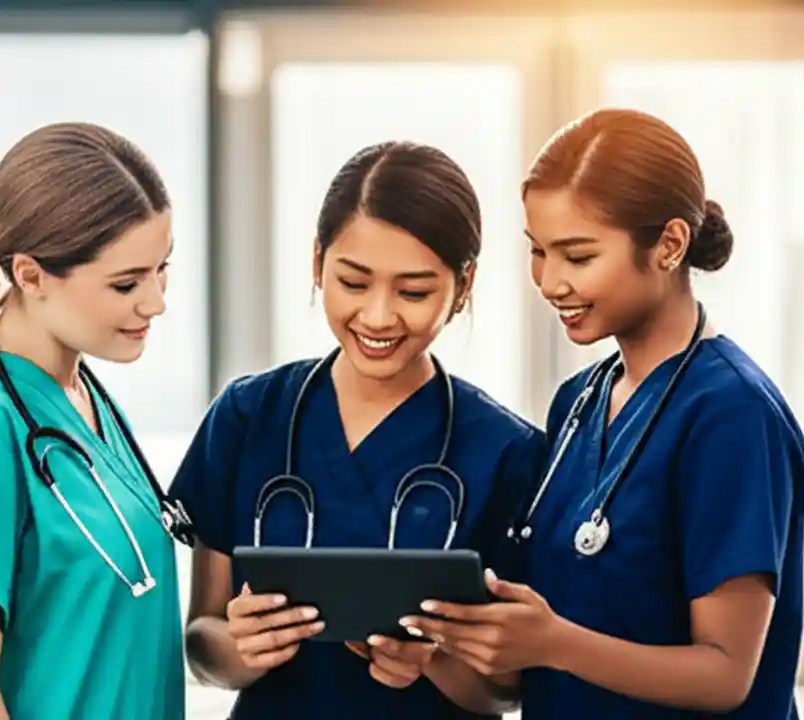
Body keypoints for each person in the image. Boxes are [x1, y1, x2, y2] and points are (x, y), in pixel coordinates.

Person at [401, 108, 804, 719]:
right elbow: (539, 666)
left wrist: (554, 642)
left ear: (670, 245)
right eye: (538, 251)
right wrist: (436, 650)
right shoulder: (579, 402)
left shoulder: (732, 415)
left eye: (578, 255)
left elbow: (726, 673)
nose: (549, 281)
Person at [170, 140, 545, 719]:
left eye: (414, 292)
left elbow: (508, 687)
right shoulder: (249, 417)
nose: (377, 316)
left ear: (463, 284)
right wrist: (241, 650)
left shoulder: (506, 451)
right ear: (317, 262)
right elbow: (201, 638)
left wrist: (434, 662)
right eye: (353, 281)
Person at [0, 122, 187, 719]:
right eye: (126, 283)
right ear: (30, 274)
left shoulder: (81, 397)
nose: (156, 303)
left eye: (161, 269)